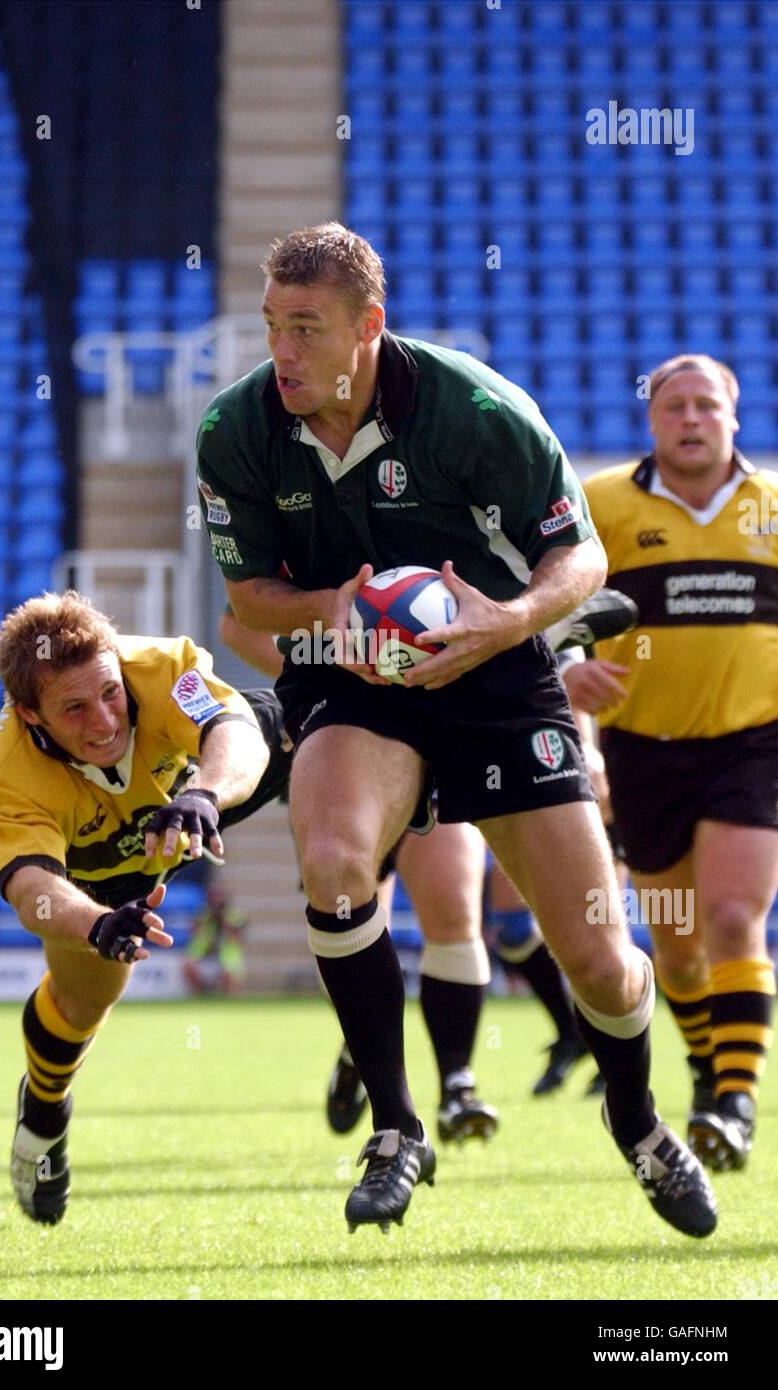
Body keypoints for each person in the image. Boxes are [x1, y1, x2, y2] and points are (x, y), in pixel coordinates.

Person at [195, 221, 716, 1236]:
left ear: (368, 329)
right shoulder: (235, 431)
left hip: (492, 665)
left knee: (602, 961)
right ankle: (396, 1126)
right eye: (271, 327)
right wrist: (330, 617)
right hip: (357, 676)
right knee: (336, 859)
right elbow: (247, 599)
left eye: (306, 329)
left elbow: (580, 562)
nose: (282, 354)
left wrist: (507, 619)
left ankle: (638, 1119)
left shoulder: (475, 410)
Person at [0, 590, 291, 1224]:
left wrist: (206, 795)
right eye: (74, 709)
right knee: (86, 1000)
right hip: (96, 879)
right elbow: (36, 895)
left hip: (191, 798)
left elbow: (236, 735)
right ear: (31, 717)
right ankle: (43, 1113)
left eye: (109, 693)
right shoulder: (0, 779)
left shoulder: (164, 670)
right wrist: (99, 924)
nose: (105, 722)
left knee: (313, 724)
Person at [571, 354, 778, 1173]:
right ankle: (706, 1067)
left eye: (705, 406)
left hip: (754, 742)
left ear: (734, 417)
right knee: (678, 946)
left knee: (734, 917)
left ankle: (734, 1103)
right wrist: (567, 668)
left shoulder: (772, 508)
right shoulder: (603, 504)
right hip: (642, 749)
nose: (690, 420)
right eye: (673, 407)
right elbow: (553, 608)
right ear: (651, 421)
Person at [220, 605, 498, 1143]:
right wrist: (325, 666)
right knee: (350, 913)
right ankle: (363, 1044)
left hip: (443, 729)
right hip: (349, 731)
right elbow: (237, 622)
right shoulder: (309, 528)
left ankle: (457, 1087)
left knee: (454, 909)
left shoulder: (457, 528)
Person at [182, 879, 248, 995]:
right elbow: (193, 933)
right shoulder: (203, 916)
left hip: (226, 959)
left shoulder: (233, 917)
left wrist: (223, 920)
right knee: (188, 965)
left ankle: (228, 1001)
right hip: (205, 957)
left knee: (228, 973)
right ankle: (200, 996)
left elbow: (238, 939)